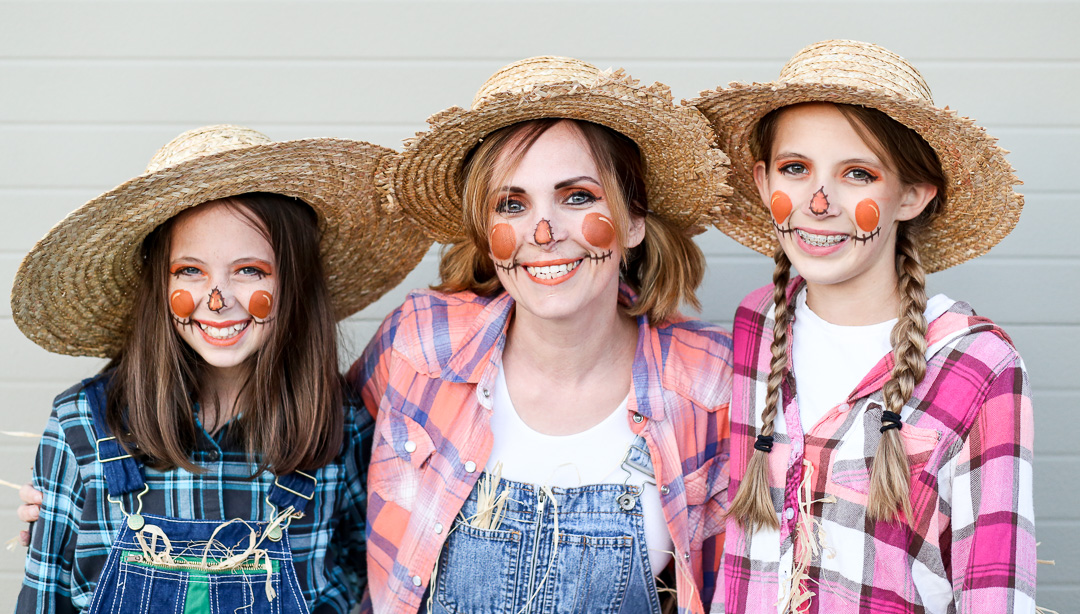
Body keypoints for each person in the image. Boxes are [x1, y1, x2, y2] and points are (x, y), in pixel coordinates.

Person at [353, 56, 734, 613]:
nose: (544, 231)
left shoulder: (708, 380)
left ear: (633, 221)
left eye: (577, 196)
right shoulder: (419, 342)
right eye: (512, 204)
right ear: (486, 235)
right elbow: (325, 462)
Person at [11, 125, 430, 613]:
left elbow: (371, 579)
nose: (216, 300)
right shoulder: (81, 426)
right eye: (190, 270)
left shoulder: (342, 428)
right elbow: (44, 597)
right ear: (158, 285)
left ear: (293, 284)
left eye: (248, 270)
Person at [690, 40, 1036, 612]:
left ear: (912, 195)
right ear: (761, 179)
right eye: (795, 169)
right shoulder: (757, 324)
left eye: (857, 173)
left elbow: (995, 589)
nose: (819, 202)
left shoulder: (979, 365)